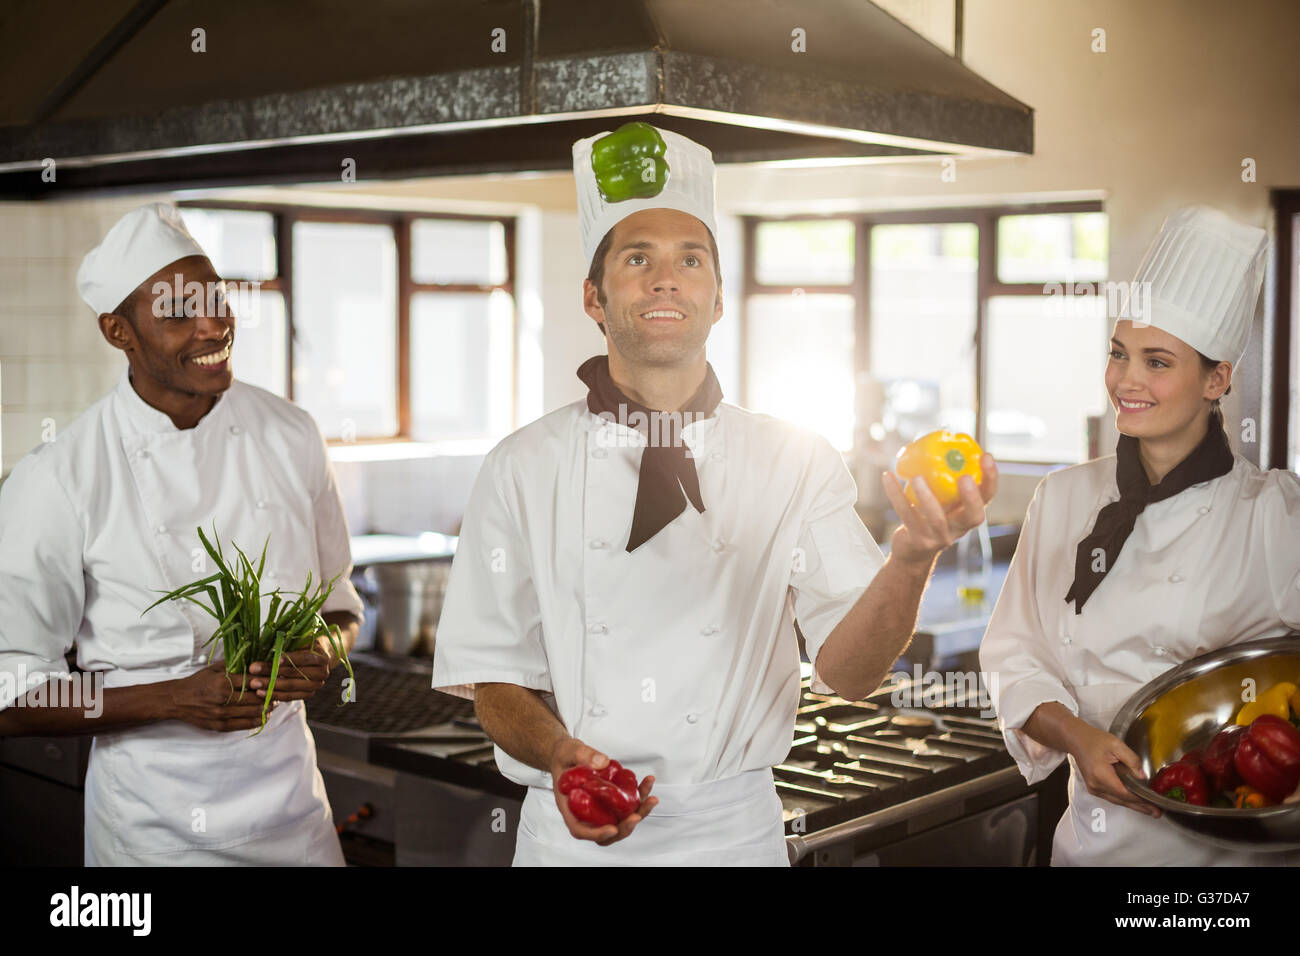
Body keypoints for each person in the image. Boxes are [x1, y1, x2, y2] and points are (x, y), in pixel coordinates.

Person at [431, 123, 997, 865]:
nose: (666, 279)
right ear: (593, 298)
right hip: (569, 839)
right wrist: (563, 756)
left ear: (718, 298)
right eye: (638, 259)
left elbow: (849, 674)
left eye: (689, 259)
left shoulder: (793, 458)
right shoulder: (522, 465)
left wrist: (913, 557)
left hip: (731, 839)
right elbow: (494, 679)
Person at [0, 202, 364, 865]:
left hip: (295, 823)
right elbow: (14, 693)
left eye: (215, 298)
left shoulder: (291, 434)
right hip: (153, 836)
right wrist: (174, 698)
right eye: (175, 311)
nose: (211, 324)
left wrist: (320, 648)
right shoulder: (61, 477)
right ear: (118, 332)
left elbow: (339, 607)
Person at [979, 205, 1300, 866]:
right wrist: (1077, 738)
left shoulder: (1276, 514)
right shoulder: (1063, 499)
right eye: (1120, 354)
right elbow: (1015, 656)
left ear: (1218, 379)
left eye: (1157, 362)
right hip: (1093, 847)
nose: (1127, 380)